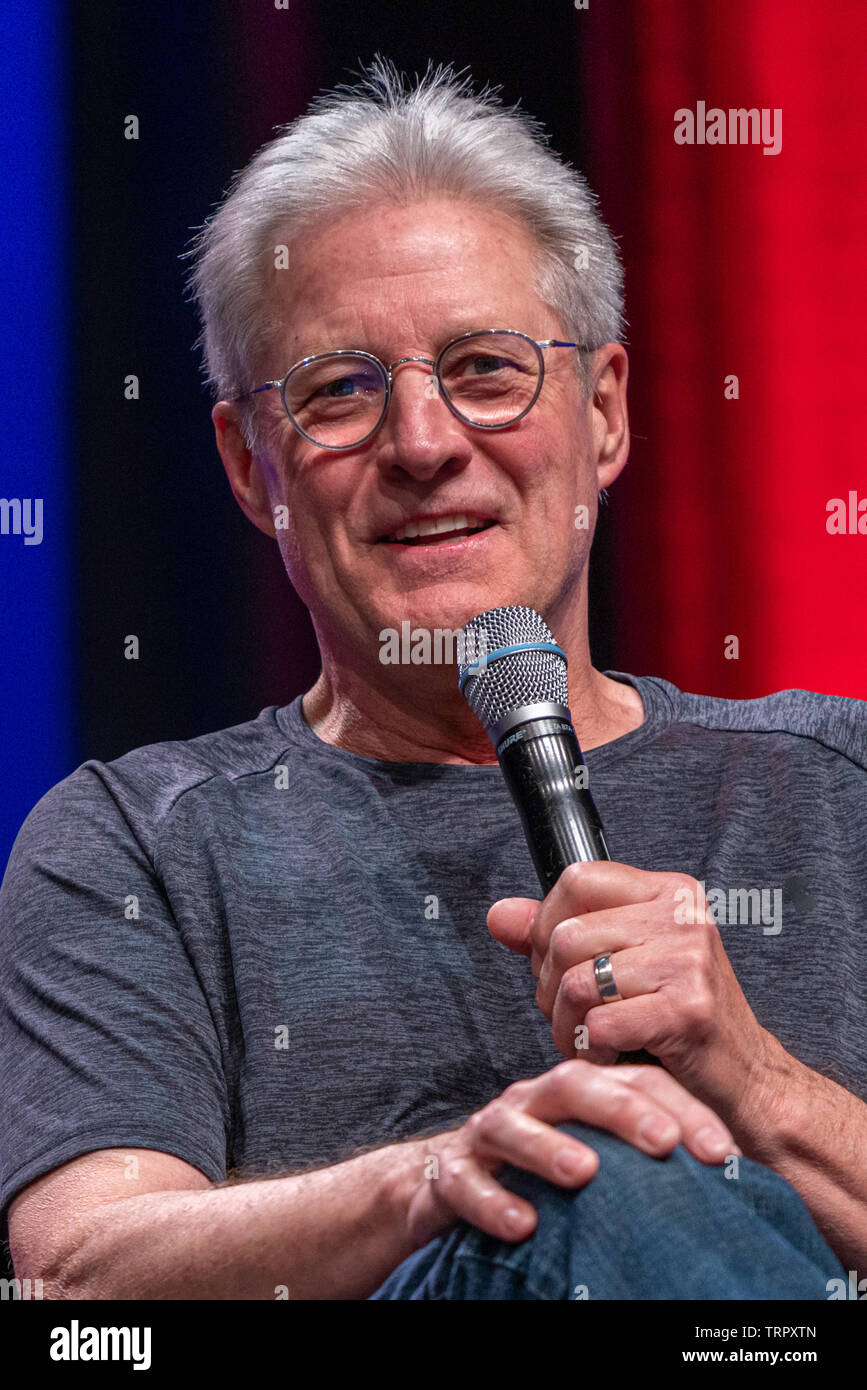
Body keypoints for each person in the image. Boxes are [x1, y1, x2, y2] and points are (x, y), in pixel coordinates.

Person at [1, 58, 863, 1301]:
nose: (422, 443)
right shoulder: (137, 845)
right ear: (253, 469)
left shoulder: (838, 786)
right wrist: (440, 1180)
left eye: (486, 369)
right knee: (596, 1175)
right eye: (340, 391)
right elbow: (81, 1278)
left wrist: (752, 1078)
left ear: (604, 413)